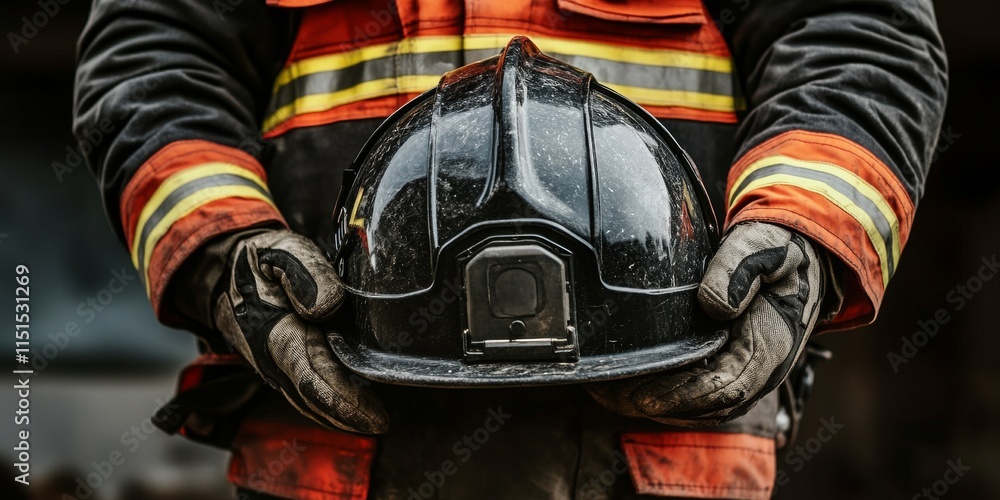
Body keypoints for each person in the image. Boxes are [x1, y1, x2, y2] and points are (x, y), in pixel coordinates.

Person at [74, 1, 947, 498]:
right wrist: (226, 255)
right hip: (334, 439)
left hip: (658, 449)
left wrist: (800, 232)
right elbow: (156, 51)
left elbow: (856, 34)